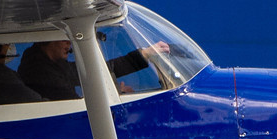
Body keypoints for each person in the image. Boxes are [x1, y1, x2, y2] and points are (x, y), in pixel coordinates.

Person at [18, 38, 172, 100]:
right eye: (64, 40)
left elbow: (94, 71)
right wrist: (115, 95)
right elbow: (73, 103)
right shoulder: (39, 71)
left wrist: (145, 54)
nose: (68, 45)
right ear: (48, 39)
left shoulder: (54, 64)